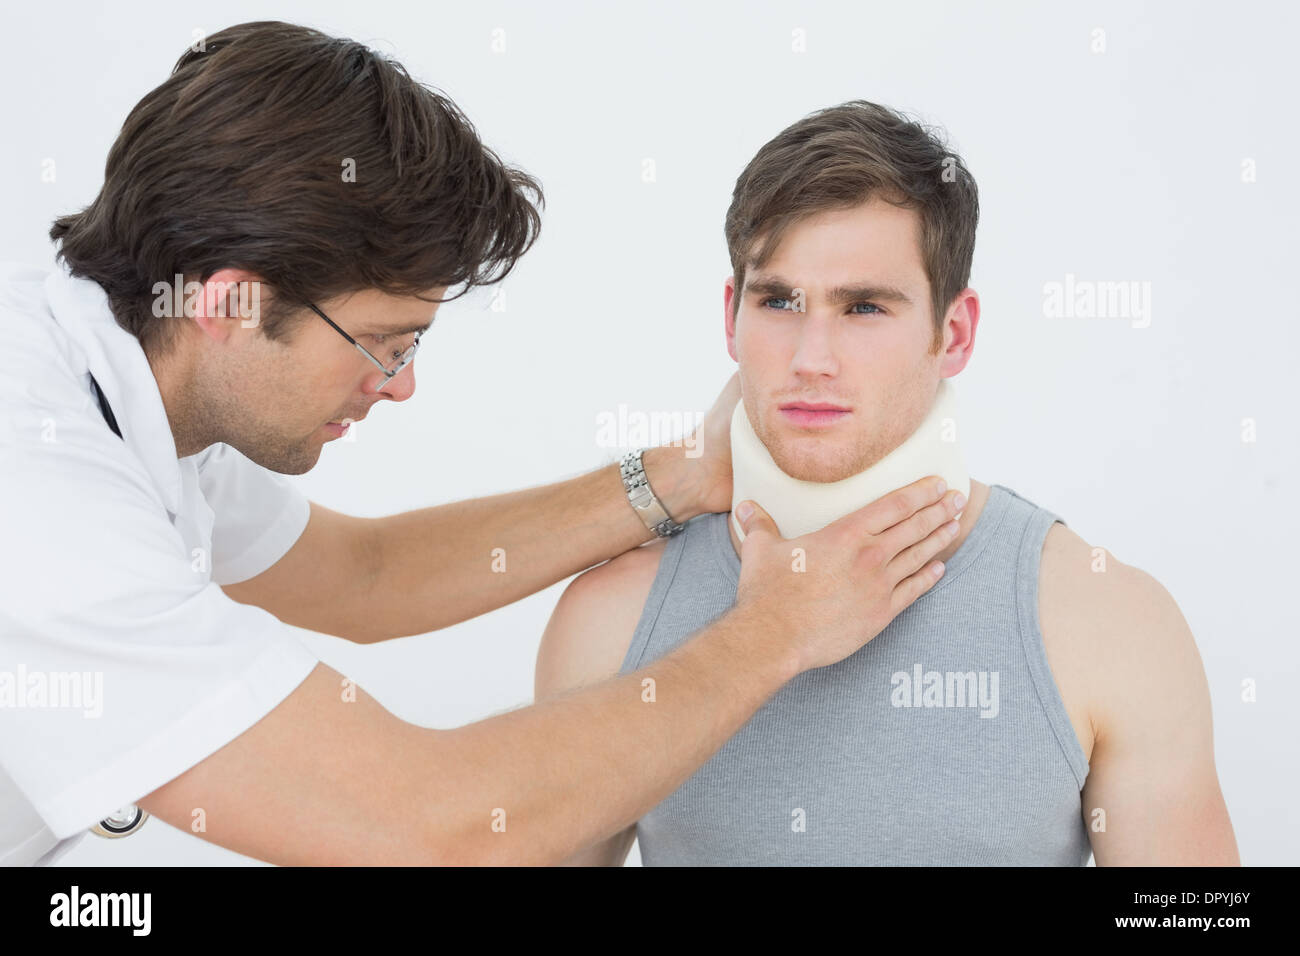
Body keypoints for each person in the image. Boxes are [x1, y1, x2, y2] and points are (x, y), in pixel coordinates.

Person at [0, 24, 961, 866]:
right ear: (230, 306)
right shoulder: (43, 499)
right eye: (381, 343)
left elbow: (364, 577)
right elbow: (428, 832)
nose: (401, 383)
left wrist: (681, 473)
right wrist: (775, 633)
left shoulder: (140, 381)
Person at [535, 100, 1240, 866]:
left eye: (864, 307)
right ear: (732, 315)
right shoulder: (611, 620)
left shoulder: (1106, 620)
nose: (812, 357)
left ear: (955, 334)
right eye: (779, 301)